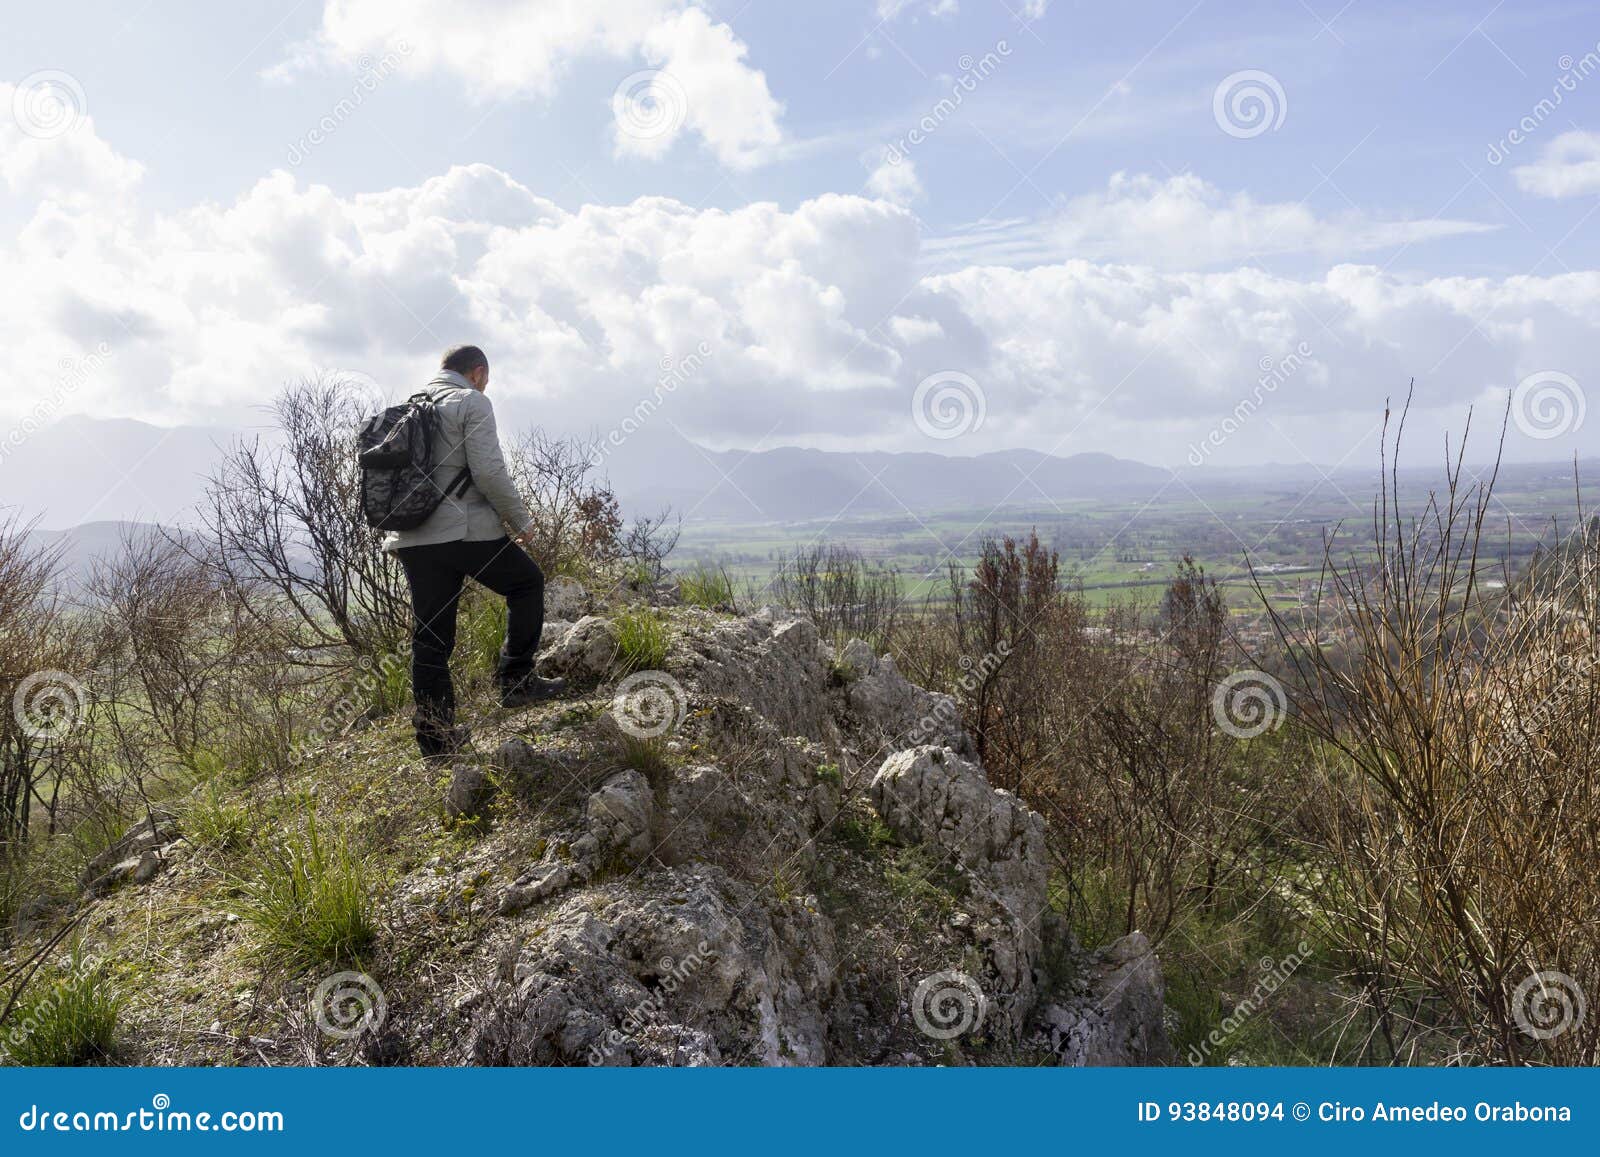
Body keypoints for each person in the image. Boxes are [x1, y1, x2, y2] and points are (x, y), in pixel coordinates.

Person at [382, 344, 564, 760]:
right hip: (463, 532)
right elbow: (487, 471)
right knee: (526, 583)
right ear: (478, 372)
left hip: (412, 537)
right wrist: (521, 521)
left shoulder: (410, 407)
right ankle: (517, 682)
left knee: (430, 640)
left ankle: (436, 741)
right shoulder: (471, 402)